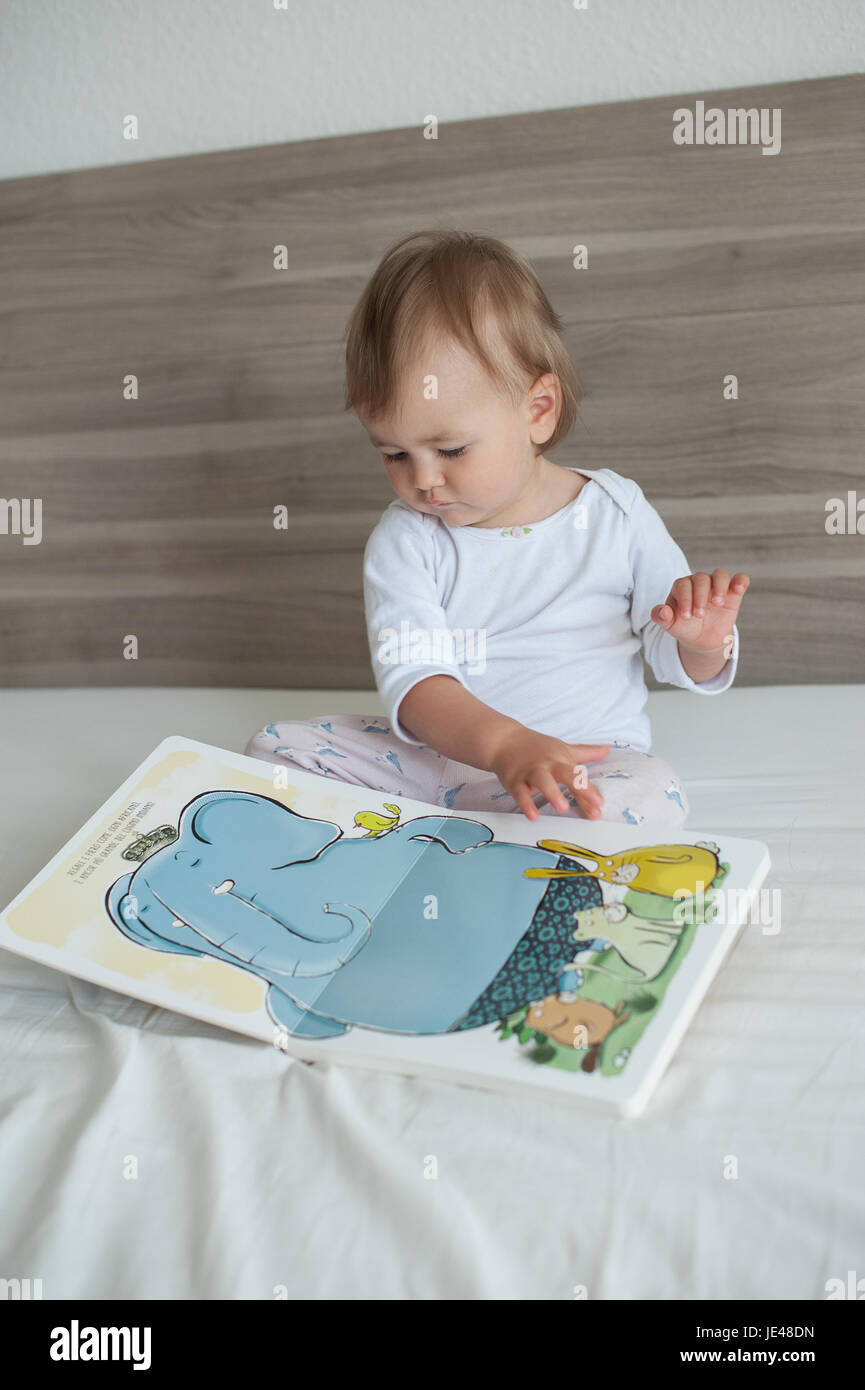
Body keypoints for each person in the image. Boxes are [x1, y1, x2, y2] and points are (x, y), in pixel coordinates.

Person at [245, 229, 749, 828]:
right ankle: (444, 838)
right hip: (438, 761)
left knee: (650, 792)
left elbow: (673, 656)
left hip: (572, 765)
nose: (424, 480)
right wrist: (503, 746)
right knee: (274, 750)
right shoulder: (407, 538)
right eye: (394, 454)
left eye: (450, 448)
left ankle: (479, 844)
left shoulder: (616, 514)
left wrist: (701, 640)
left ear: (538, 412)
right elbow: (418, 683)